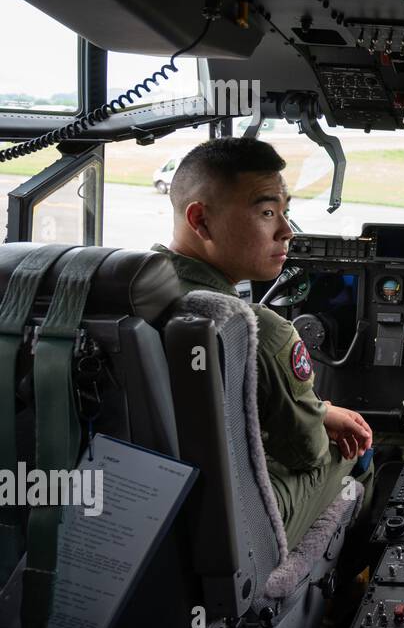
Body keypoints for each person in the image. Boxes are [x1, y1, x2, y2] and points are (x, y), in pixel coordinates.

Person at [152, 137, 373, 550]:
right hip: (229, 529)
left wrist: (321, 409)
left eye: (285, 213)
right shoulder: (256, 329)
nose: (286, 231)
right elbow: (307, 451)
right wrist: (320, 419)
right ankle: (347, 594)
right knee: (355, 446)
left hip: (149, 500)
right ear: (200, 220)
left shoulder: (125, 291)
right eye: (268, 212)